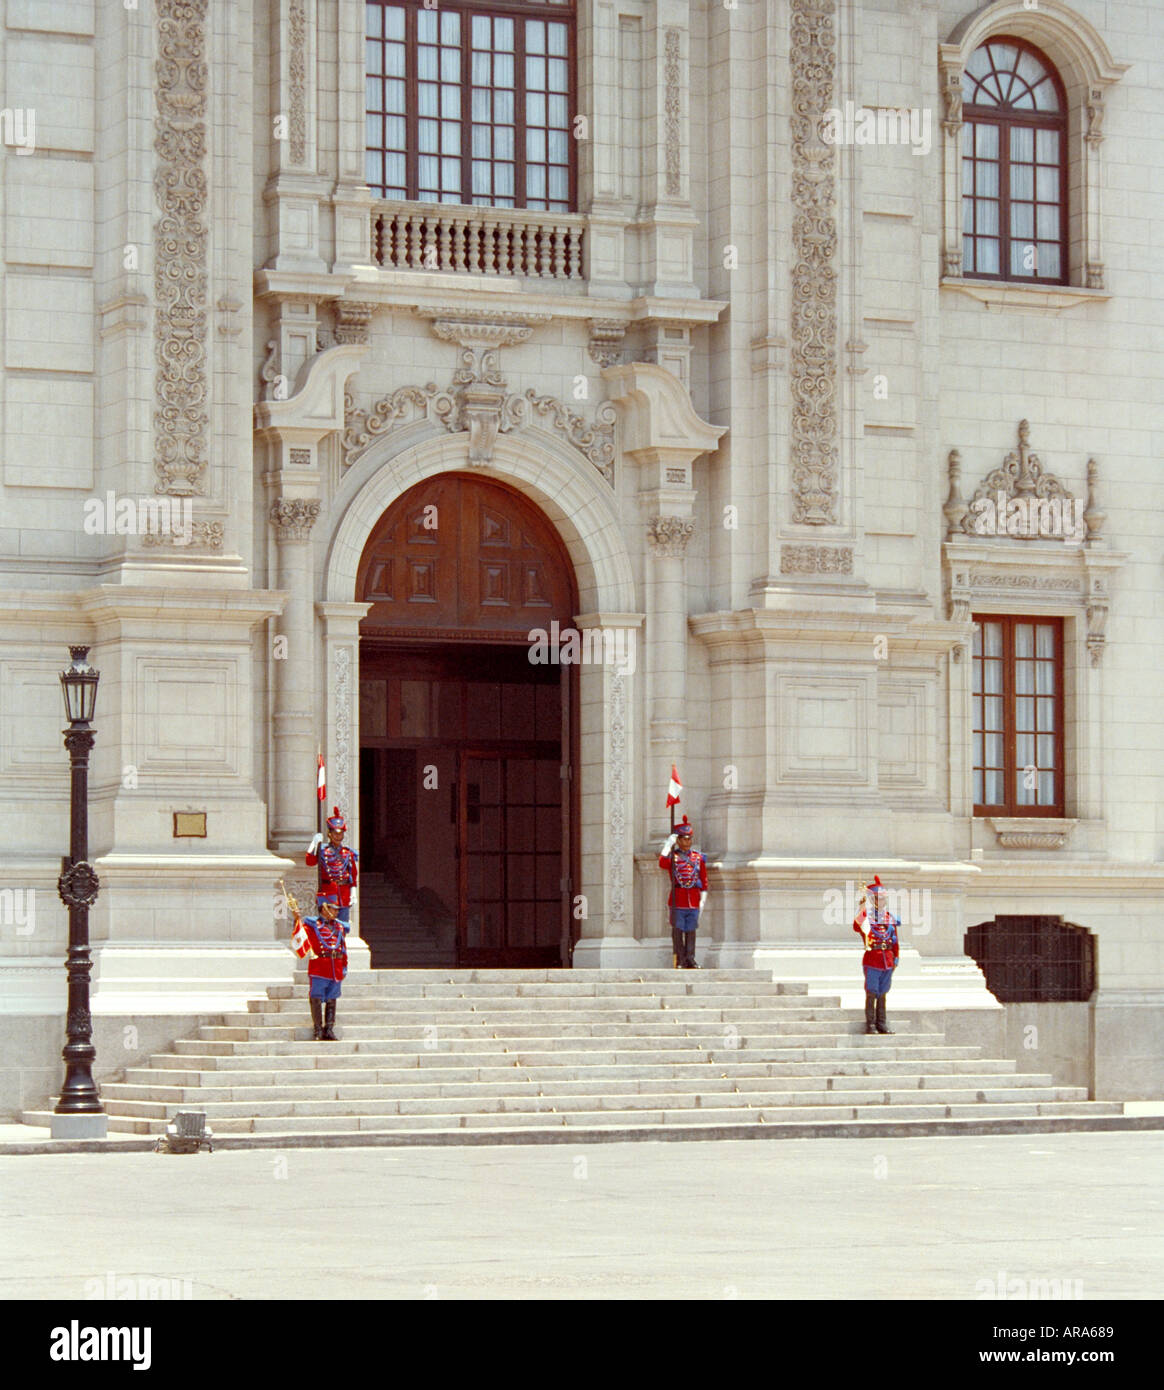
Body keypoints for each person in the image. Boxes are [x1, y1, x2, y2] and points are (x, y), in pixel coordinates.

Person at [293, 898, 348, 1041]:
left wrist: (344, 966)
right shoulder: (313, 926)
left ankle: (329, 1029)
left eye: (337, 909)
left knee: (332, 998)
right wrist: (296, 919)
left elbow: (343, 948)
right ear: (324, 909)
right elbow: (301, 935)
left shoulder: (339, 926)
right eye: (333, 908)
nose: (336, 912)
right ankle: (317, 1029)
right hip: (320, 967)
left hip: (335, 967)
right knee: (316, 997)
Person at [853, 874, 900, 1034]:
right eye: (879, 898)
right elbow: (856, 925)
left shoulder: (888, 918)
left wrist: (896, 957)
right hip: (873, 959)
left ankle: (882, 1023)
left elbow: (895, 939)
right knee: (872, 991)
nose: (882, 901)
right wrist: (861, 906)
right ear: (873, 900)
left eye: (883, 898)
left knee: (883, 992)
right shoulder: (867, 917)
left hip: (887, 959)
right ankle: (871, 1024)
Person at [658, 816, 707, 969]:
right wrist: (667, 845)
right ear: (678, 840)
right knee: (678, 932)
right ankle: (680, 959)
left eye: (689, 839)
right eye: (684, 839)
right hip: (677, 900)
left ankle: (690, 959)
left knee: (691, 931)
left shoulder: (698, 858)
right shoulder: (673, 857)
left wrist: (703, 899)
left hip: (693, 899)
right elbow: (661, 862)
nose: (687, 842)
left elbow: (703, 879)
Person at [306, 806, 358, 927]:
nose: (338, 837)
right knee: (326, 926)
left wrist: (353, 892)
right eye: (335, 834)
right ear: (329, 834)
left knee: (342, 926)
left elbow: (352, 875)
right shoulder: (323, 850)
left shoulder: (347, 853)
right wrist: (314, 844)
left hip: (344, 894)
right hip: (328, 893)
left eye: (340, 834)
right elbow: (309, 861)